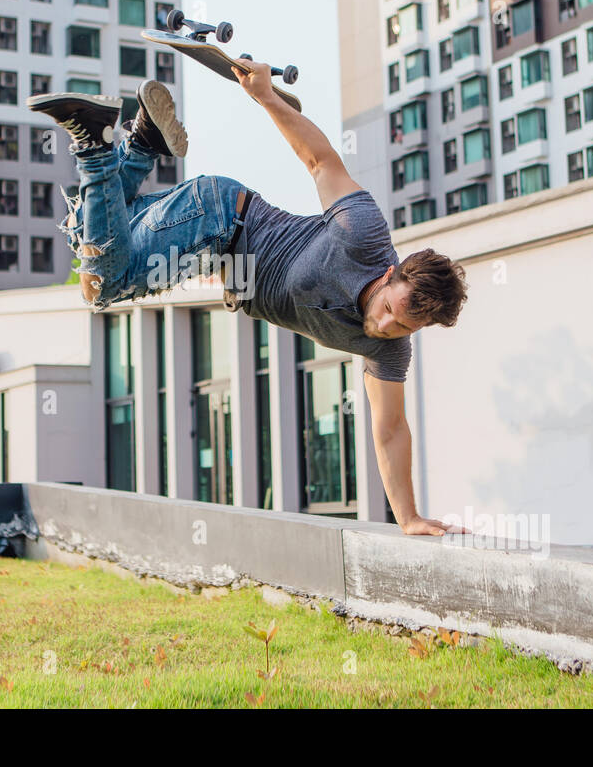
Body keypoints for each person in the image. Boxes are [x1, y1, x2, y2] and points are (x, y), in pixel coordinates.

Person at [27, 63, 468, 536]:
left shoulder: (387, 350)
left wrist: (408, 518)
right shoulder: (363, 234)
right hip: (219, 219)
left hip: (213, 250)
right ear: (388, 274)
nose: (383, 328)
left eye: (402, 329)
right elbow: (319, 161)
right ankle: (93, 140)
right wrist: (266, 97)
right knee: (104, 282)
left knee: (95, 229)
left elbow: (391, 429)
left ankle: (143, 144)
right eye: (388, 311)